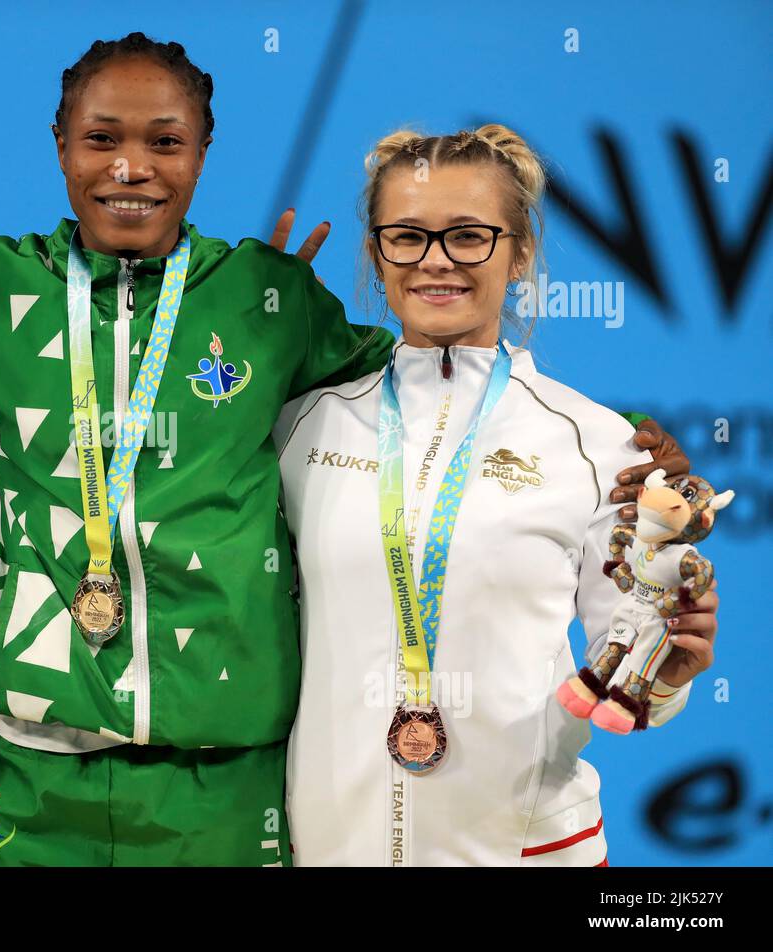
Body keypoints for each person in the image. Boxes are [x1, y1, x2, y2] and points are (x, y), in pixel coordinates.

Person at [0, 35, 687, 866]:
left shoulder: (268, 302)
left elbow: (430, 383)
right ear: (59, 144)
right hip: (27, 784)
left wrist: (613, 456)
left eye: (165, 142)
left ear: (203, 153)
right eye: (100, 138)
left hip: (222, 788)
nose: (130, 167)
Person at [274, 125, 719, 866]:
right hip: (329, 847)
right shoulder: (300, 427)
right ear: (377, 254)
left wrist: (667, 674)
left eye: (469, 236)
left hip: (531, 850)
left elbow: (630, 655)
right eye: (406, 236)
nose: (436, 259)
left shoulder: (597, 443)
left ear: (521, 253)